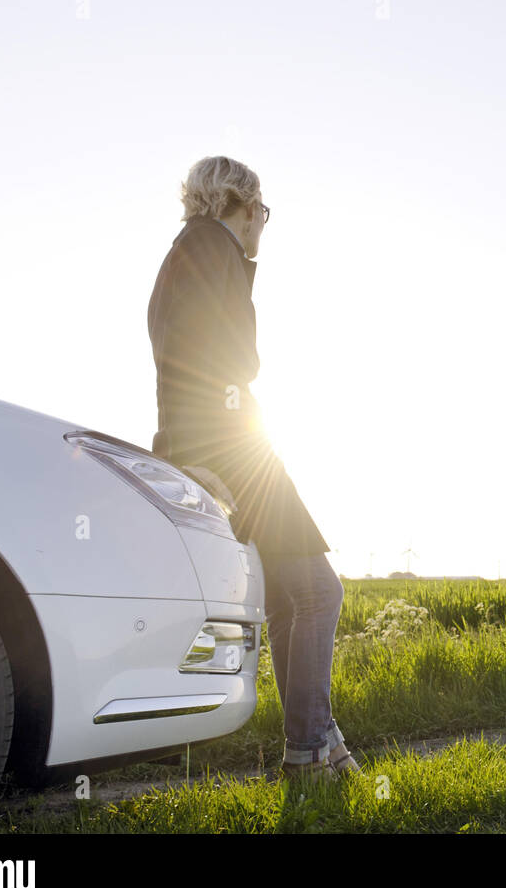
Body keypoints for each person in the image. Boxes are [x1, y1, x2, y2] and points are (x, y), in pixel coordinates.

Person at [147, 154, 358, 782]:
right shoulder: (211, 247)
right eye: (261, 210)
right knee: (318, 592)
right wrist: (193, 454)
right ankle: (309, 751)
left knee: (293, 598)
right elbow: (205, 356)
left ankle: (318, 746)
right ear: (241, 205)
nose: (263, 223)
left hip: (223, 442)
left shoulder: (192, 251)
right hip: (233, 447)